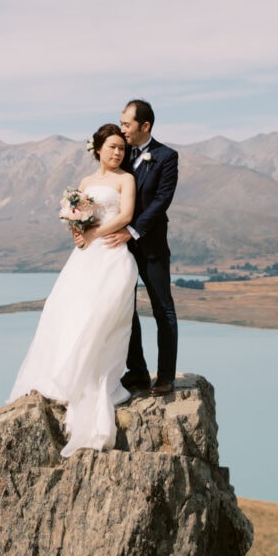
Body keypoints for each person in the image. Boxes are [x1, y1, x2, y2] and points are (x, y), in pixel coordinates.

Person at [7, 123, 140, 457]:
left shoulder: (126, 180)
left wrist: (95, 234)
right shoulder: (85, 183)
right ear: (98, 149)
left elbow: (125, 214)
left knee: (101, 319)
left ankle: (93, 378)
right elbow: (78, 217)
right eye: (111, 147)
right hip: (84, 259)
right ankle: (63, 376)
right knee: (67, 313)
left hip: (112, 256)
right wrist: (79, 232)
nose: (117, 153)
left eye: (121, 148)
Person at [95, 99, 179, 396]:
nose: (123, 130)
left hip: (151, 245)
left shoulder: (166, 156)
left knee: (162, 310)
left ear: (145, 126)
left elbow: (160, 201)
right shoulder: (121, 152)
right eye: (121, 123)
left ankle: (166, 376)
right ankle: (139, 372)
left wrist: (132, 230)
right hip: (119, 250)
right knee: (125, 309)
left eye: (127, 124)